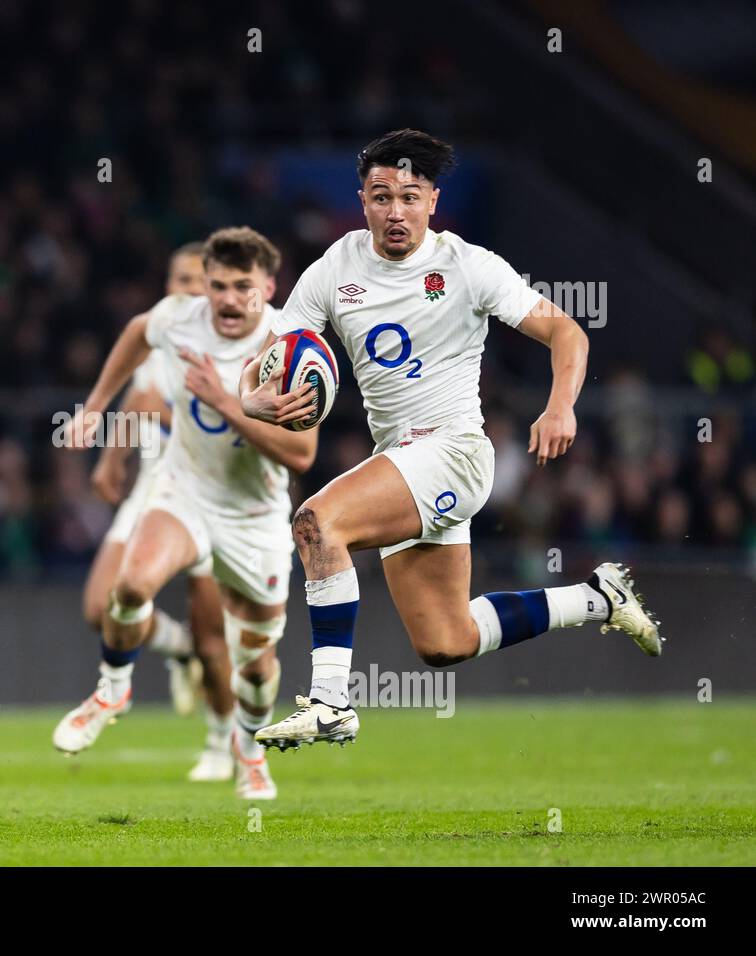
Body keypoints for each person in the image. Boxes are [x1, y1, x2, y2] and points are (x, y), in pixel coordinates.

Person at [237, 130, 661, 751]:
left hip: (455, 453)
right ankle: (597, 597)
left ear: (432, 200)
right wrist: (253, 398)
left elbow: (567, 332)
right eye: (381, 196)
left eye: (409, 196)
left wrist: (560, 406)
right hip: (401, 463)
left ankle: (331, 703)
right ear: (362, 201)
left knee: (317, 522)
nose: (395, 211)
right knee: (446, 641)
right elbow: (273, 356)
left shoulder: (468, 267)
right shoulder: (336, 266)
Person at [54, 227, 318, 800]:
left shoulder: (290, 346)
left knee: (254, 663)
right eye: (217, 285)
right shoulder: (180, 316)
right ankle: (112, 689)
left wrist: (227, 401)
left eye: (242, 287)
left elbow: (302, 454)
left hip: (254, 515)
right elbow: (134, 334)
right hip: (185, 491)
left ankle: (248, 751)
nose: (226, 299)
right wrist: (95, 409)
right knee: (130, 585)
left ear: (268, 286)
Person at [83, 243, 236, 782]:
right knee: (101, 606)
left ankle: (221, 743)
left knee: (216, 641)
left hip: (211, 495)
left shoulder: (234, 346)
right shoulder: (159, 335)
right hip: (153, 486)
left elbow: (235, 431)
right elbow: (137, 399)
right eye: (181, 279)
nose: (190, 289)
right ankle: (177, 649)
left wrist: (167, 414)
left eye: (201, 280)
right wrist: (110, 458)